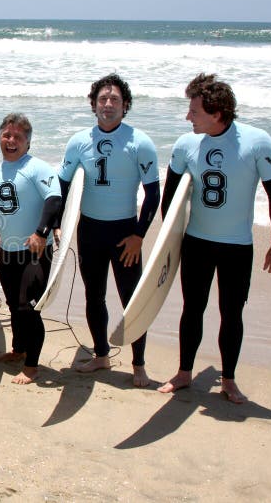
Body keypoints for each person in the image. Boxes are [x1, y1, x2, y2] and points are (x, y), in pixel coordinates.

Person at [157, 73, 271, 404]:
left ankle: (228, 379)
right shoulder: (186, 145)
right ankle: (184, 373)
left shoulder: (257, 142)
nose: (188, 117)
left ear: (217, 113)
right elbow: (170, 200)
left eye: (195, 112)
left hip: (237, 247)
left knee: (231, 313)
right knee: (192, 308)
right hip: (196, 243)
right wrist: (166, 246)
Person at [56, 73, 160, 387]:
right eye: (103, 99)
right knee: (94, 296)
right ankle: (101, 355)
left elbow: (153, 194)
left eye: (115, 99)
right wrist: (59, 226)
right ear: (93, 104)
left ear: (125, 105)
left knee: (132, 299)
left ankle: (138, 364)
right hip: (89, 231)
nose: (108, 104)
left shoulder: (139, 142)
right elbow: (62, 187)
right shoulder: (78, 142)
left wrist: (139, 235)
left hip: (125, 234)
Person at [0, 113, 61, 384]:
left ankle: (32, 365)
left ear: (28, 142)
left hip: (36, 251)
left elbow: (54, 200)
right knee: (14, 306)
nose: (11, 140)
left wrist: (41, 232)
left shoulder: (38, 168)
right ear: (0, 138)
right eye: (6, 135)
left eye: (18, 136)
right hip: (7, 250)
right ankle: (18, 350)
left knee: (29, 307)